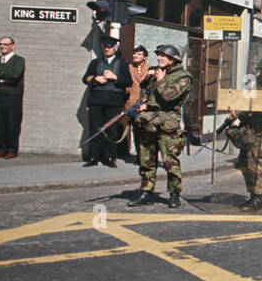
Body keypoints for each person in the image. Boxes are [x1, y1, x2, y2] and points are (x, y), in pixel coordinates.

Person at [129, 45, 192, 208]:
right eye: (158, 56)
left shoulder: (183, 76)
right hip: (150, 120)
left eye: (163, 56)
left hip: (168, 123)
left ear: (173, 59)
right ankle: (146, 192)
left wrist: (160, 79)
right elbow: (146, 89)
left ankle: (174, 194)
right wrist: (144, 103)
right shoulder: (157, 72)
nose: (159, 59)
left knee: (169, 161)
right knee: (146, 159)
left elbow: (169, 95)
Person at [223, 57, 262, 210]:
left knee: (257, 165)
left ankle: (258, 198)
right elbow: (243, 100)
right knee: (245, 163)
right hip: (248, 129)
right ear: (261, 71)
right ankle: (252, 195)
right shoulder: (253, 83)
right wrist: (234, 110)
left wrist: (249, 102)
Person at [81, 36, 132, 168]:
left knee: (112, 130)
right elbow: (85, 78)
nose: (107, 49)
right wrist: (95, 78)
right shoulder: (95, 63)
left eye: (109, 47)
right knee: (95, 129)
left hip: (114, 101)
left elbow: (128, 82)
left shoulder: (122, 64)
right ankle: (93, 157)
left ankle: (110, 157)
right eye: (105, 47)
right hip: (96, 100)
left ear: (115, 48)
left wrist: (115, 77)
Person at [0, 36, 26, 159]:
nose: (3, 46)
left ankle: (12, 149)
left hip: (13, 96)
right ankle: (1, 148)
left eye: (6, 44)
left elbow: (15, 75)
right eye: (0, 44)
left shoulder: (19, 60)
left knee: (12, 122)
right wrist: (3, 80)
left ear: (12, 46)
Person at [125, 46, 150, 160]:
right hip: (132, 103)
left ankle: (146, 157)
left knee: (145, 131)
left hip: (145, 104)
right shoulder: (129, 67)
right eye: (134, 54)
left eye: (139, 54)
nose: (136, 56)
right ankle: (139, 156)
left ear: (145, 57)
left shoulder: (151, 68)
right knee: (135, 131)